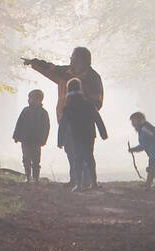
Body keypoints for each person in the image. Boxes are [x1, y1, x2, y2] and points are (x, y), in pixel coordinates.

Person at [23, 46, 104, 185]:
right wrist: (34, 63)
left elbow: (97, 100)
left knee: (85, 153)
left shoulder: (93, 77)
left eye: (73, 57)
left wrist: (84, 107)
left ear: (81, 59)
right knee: (71, 151)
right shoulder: (65, 72)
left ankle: (87, 180)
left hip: (84, 123)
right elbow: (50, 69)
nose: (70, 59)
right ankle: (76, 179)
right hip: (65, 119)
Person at [57, 78, 107, 192]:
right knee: (89, 158)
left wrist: (60, 141)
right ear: (80, 88)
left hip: (76, 135)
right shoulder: (88, 104)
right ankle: (93, 183)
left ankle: (78, 184)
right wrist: (103, 133)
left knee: (77, 159)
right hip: (89, 134)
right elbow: (97, 119)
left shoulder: (68, 107)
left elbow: (63, 125)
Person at [12, 89, 51, 182]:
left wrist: (44, 139)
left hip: (36, 140)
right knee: (26, 159)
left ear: (39, 100)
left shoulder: (43, 113)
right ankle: (28, 176)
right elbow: (19, 123)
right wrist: (16, 136)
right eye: (29, 98)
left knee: (36, 160)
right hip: (25, 139)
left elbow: (46, 127)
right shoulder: (25, 110)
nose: (29, 100)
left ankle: (35, 178)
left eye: (31, 98)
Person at [129, 111, 155, 190]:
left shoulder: (144, 128)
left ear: (139, 120)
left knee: (152, 167)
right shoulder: (143, 128)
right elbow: (147, 142)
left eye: (133, 120)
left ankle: (149, 183)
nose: (132, 123)